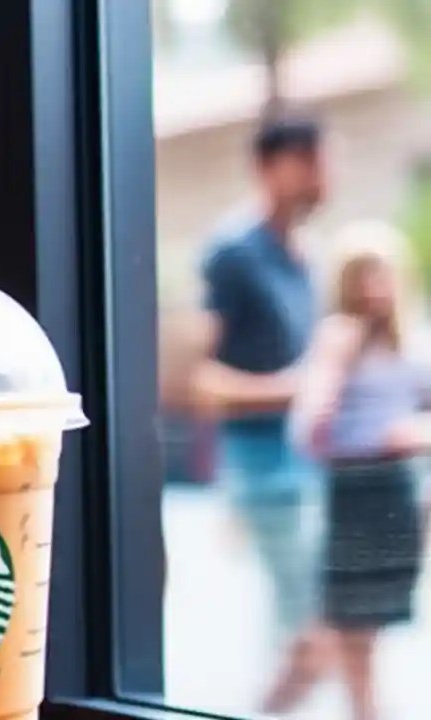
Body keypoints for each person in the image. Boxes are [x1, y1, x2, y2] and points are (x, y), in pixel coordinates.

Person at [191, 114, 328, 701]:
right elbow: (198, 381)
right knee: (310, 630)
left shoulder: (304, 254)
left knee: (305, 632)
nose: (325, 176)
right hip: (263, 472)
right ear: (269, 168)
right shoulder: (233, 256)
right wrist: (298, 387)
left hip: (310, 467)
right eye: (312, 161)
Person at [272, 231, 428, 720]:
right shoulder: (338, 337)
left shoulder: (410, 342)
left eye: (381, 274)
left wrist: (409, 434)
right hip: (353, 490)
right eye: (363, 275)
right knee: (337, 624)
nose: (374, 287)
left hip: (398, 492)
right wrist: (334, 365)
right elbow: (309, 428)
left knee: (363, 627)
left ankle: (361, 709)